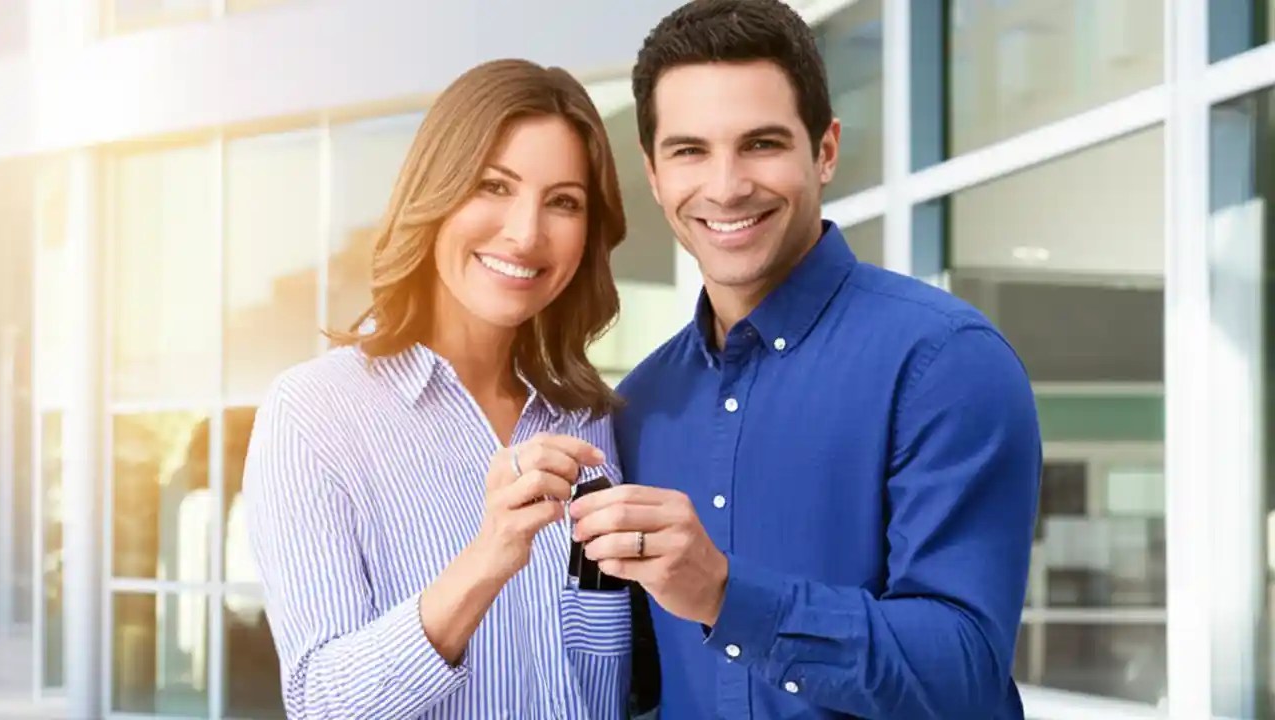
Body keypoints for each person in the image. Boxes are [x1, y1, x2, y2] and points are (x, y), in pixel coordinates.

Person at [569, 1, 1043, 718]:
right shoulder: (640, 404)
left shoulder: (945, 363)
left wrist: (728, 597)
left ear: (824, 150)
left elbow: (964, 670)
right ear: (655, 173)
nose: (725, 186)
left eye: (761, 143)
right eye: (690, 150)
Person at [243, 58, 633, 719]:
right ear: (435, 193)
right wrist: (487, 560)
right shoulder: (313, 414)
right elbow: (321, 703)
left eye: (563, 202)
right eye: (493, 186)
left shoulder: (589, 424)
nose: (526, 232)